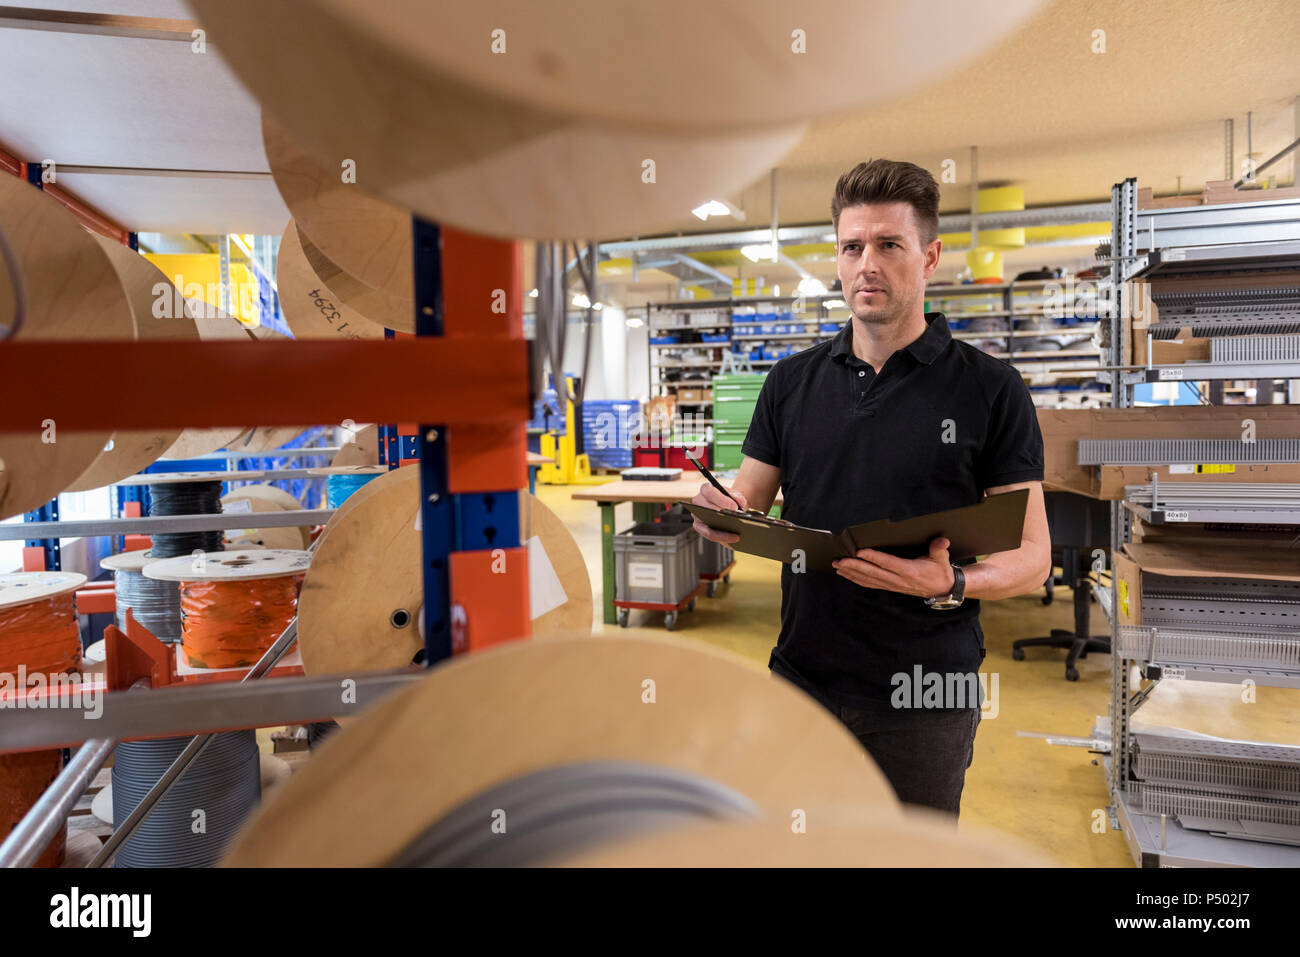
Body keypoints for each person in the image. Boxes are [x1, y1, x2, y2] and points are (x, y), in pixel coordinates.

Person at [691, 158, 1050, 817]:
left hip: (926, 692)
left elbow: (1033, 555)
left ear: (931, 255)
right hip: (803, 677)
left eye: (889, 244)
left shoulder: (990, 390)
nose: (867, 265)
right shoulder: (790, 384)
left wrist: (953, 584)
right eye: (852, 246)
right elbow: (752, 500)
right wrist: (725, 514)